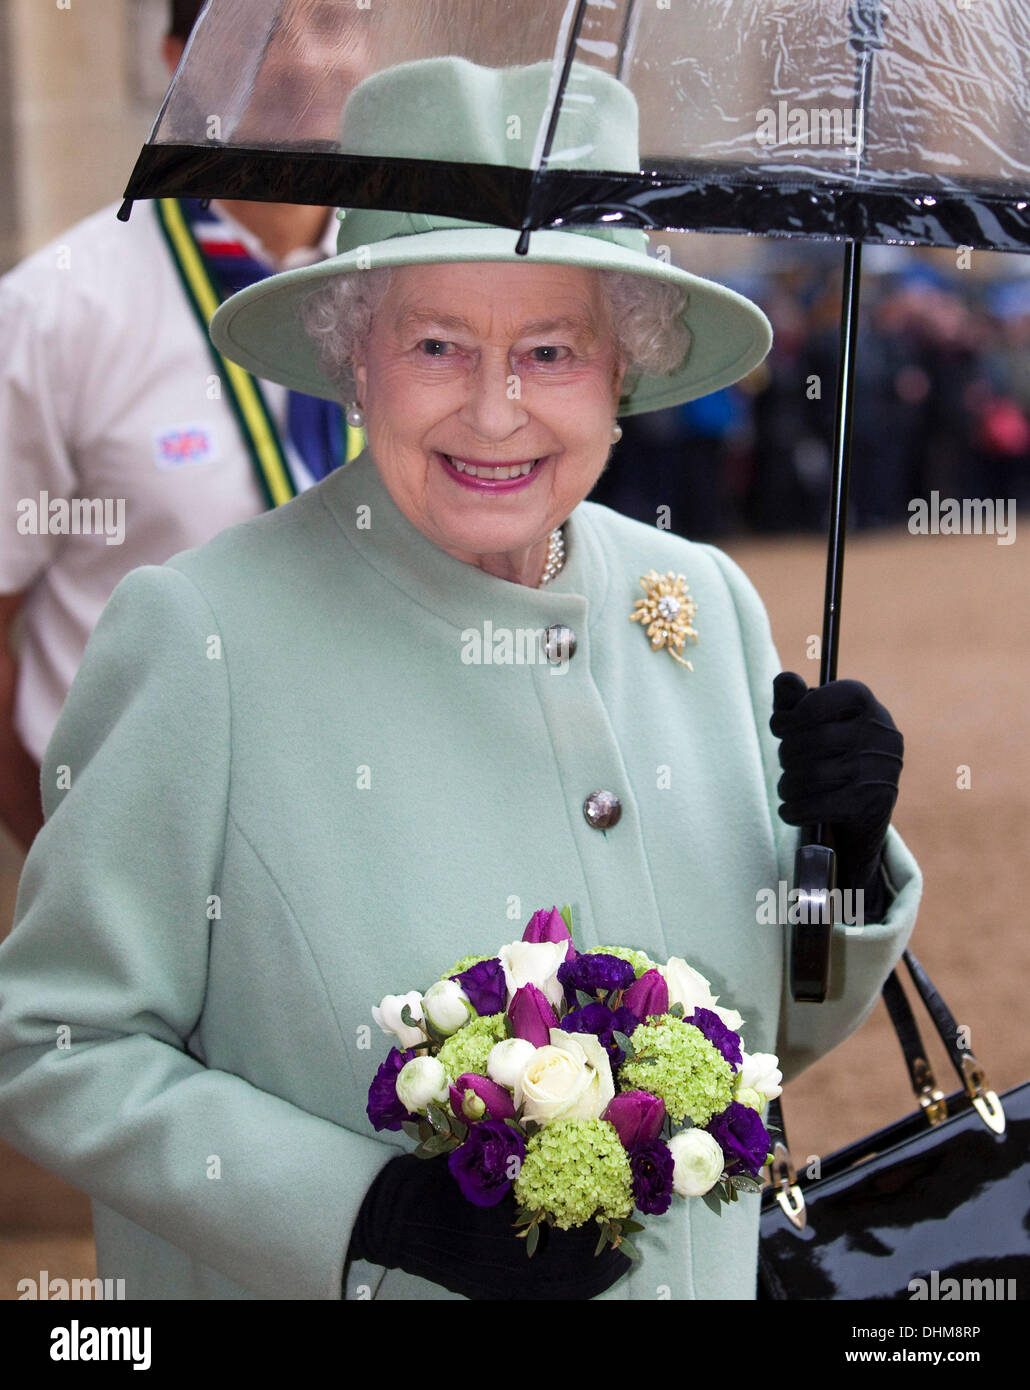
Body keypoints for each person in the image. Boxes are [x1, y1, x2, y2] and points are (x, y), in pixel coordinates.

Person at [0, 56, 921, 1301]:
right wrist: (370, 1212)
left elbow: (758, 1048)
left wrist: (840, 870)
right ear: (354, 360)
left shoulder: (702, 605)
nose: (495, 414)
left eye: (550, 350)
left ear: (624, 372)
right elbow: (55, 1045)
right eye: (438, 344)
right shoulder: (203, 635)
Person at [0, 0, 352, 851]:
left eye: (335, 19)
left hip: (364, 826)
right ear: (178, 61)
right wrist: (53, 840)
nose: (302, 60)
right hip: (139, 840)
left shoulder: (424, 291)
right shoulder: (56, 309)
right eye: (260, 30)